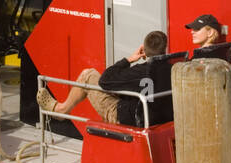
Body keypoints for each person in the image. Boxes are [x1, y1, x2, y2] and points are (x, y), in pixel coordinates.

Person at [38, 30, 169, 127]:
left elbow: (105, 80)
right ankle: (62, 110)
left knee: (88, 75)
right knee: (118, 88)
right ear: (165, 49)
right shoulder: (172, 68)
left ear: (144, 51)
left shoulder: (139, 71)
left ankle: (61, 110)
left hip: (128, 117)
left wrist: (129, 59)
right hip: (156, 117)